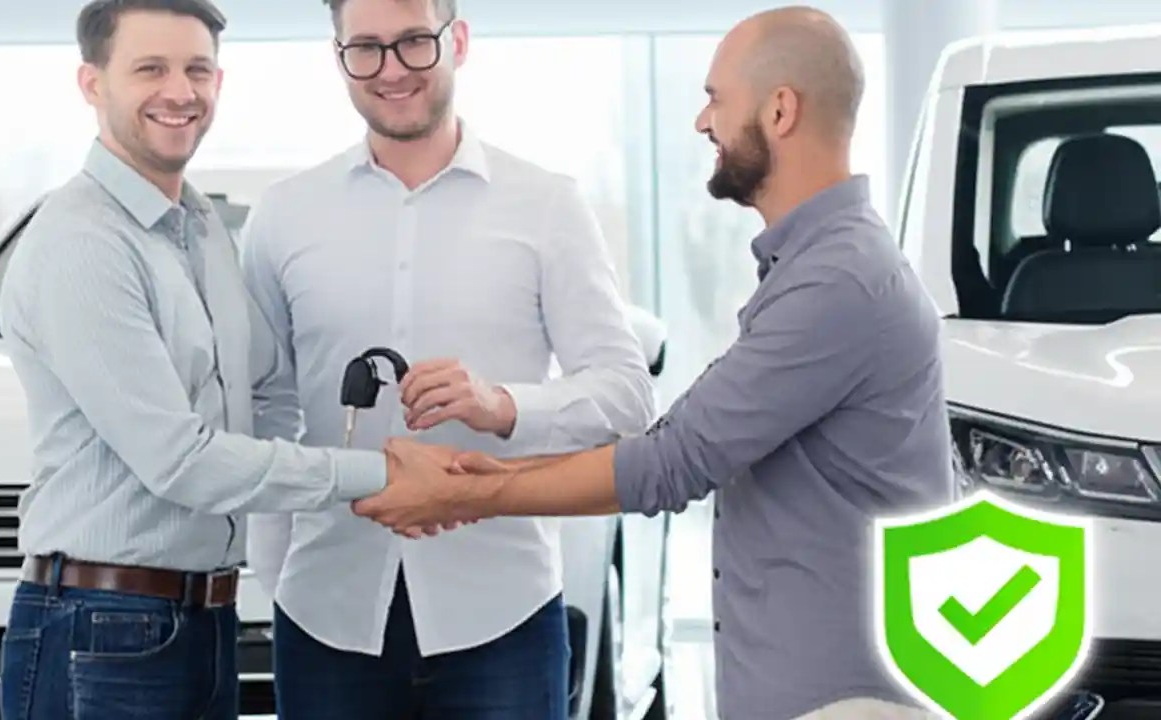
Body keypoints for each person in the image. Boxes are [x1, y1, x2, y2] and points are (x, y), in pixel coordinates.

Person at [354, 6, 954, 720]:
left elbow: (675, 459)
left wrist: (466, 491)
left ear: (781, 110)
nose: (704, 123)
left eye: (716, 99)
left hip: (845, 701)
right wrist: (483, 478)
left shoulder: (839, 281)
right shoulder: (820, 267)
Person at [240, 0, 655, 716]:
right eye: (365, 48)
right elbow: (262, 407)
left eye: (413, 43)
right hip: (323, 612)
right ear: (337, 56)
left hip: (503, 614)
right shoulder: (283, 215)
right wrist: (273, 581)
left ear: (457, 40)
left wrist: (504, 406)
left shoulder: (547, 205)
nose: (391, 69)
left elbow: (626, 396)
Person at [0, 1, 394, 718]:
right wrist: (382, 476)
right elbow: (181, 461)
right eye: (150, 68)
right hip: (100, 628)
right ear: (91, 83)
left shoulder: (200, 223)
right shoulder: (83, 242)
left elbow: (269, 382)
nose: (180, 91)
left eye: (197, 70)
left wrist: (277, 465)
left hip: (203, 620)